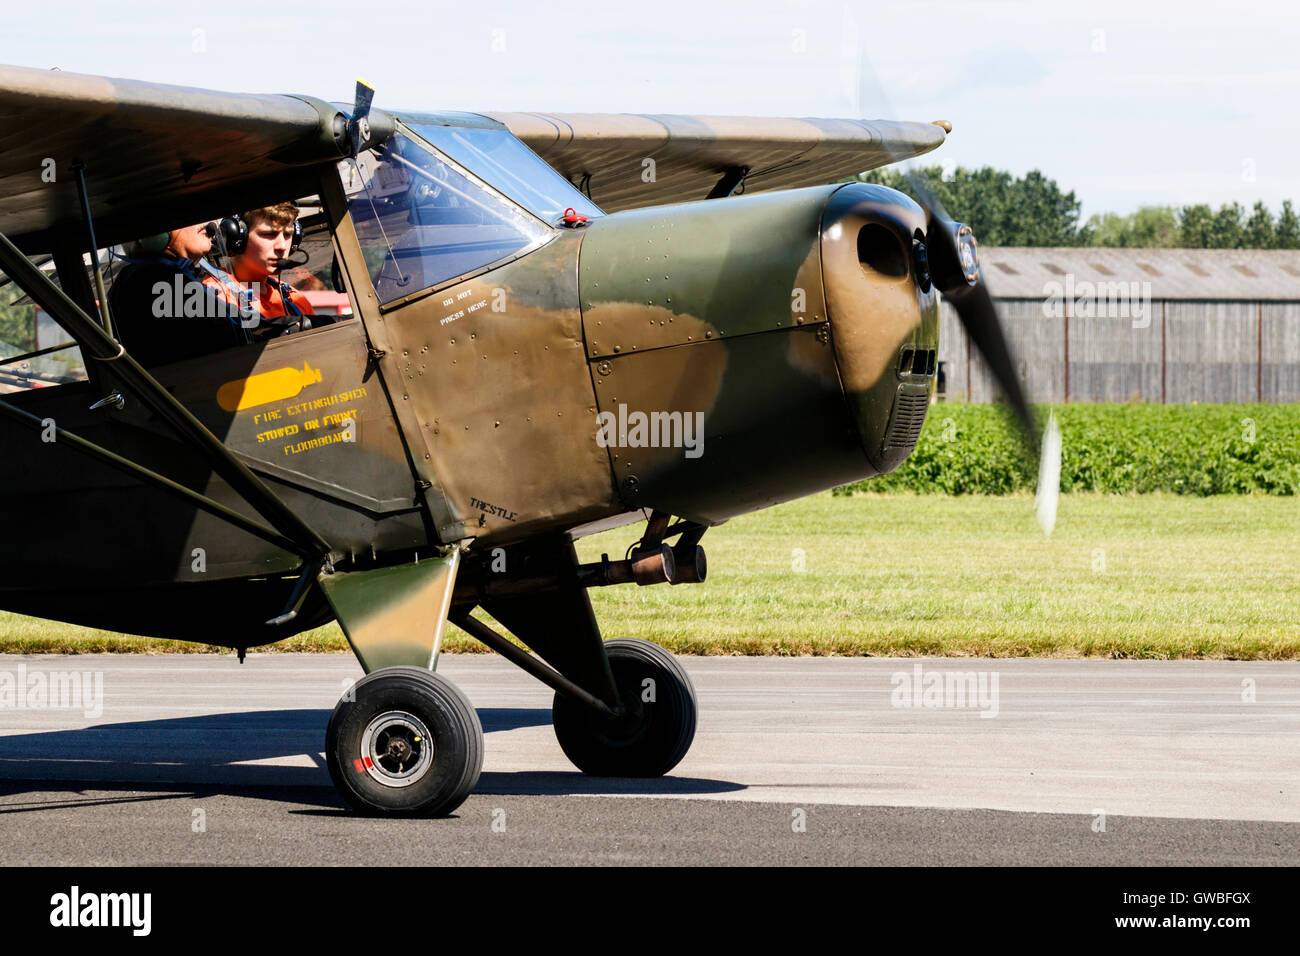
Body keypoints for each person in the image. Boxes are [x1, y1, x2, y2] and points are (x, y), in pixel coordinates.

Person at [107, 223, 250, 367]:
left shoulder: (166, 274)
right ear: (155, 236)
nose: (204, 222)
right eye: (187, 215)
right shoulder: (152, 280)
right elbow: (225, 338)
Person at [208, 202, 333, 341]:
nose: (282, 246)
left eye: (287, 235)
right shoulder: (211, 294)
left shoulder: (294, 299)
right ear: (237, 238)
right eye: (269, 234)